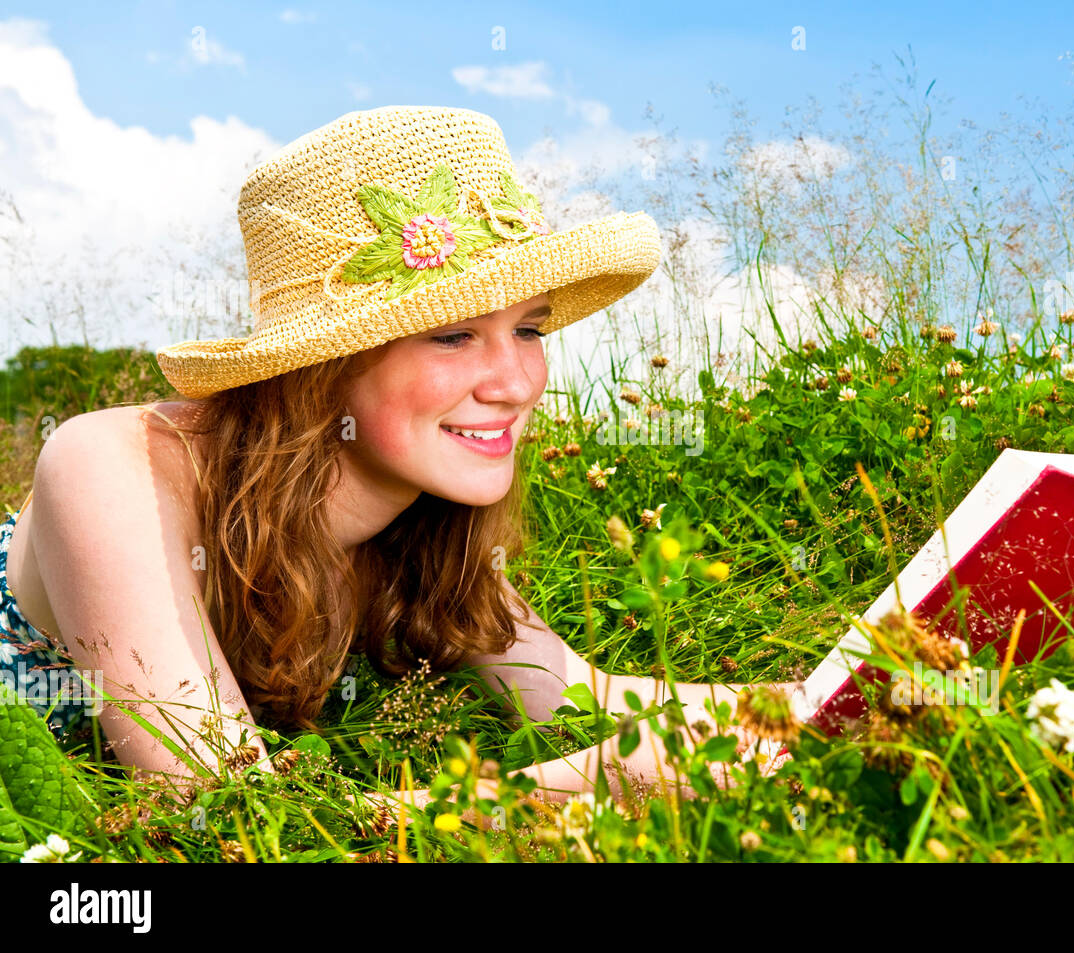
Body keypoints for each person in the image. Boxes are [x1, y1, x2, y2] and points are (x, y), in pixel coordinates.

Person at [0, 106, 798, 823]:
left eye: (530, 329)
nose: (517, 384)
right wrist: (579, 788)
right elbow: (221, 811)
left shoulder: (417, 512)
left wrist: (825, 700)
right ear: (323, 365)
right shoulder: (114, 465)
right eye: (452, 335)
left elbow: (576, 700)